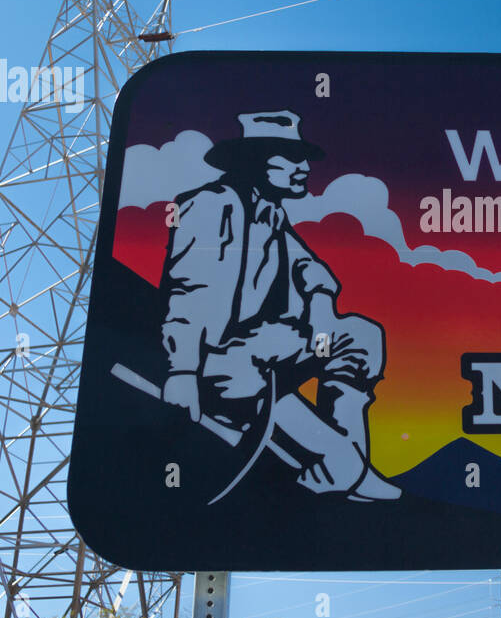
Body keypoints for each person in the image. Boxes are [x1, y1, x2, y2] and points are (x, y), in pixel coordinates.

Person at [158, 109, 400, 502]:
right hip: (218, 361)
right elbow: (189, 292)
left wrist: (322, 307)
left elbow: (310, 266)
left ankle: (349, 464)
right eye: (291, 158)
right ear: (254, 160)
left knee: (360, 334)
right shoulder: (211, 206)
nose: (305, 168)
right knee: (261, 368)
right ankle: (343, 468)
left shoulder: (271, 214)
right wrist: (182, 371)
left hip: (264, 346)